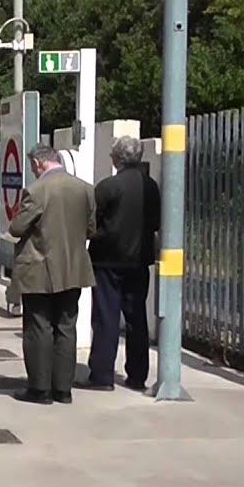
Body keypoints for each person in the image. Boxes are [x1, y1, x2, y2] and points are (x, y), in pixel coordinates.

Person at [8, 144, 96, 405]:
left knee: (39, 327)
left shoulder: (36, 192)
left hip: (39, 269)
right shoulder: (85, 189)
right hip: (74, 268)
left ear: (38, 163)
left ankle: (39, 388)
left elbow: (16, 227)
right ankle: (63, 389)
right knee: (66, 327)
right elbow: (91, 229)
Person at [85, 136, 161, 391]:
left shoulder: (108, 187)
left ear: (117, 159)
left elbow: (92, 222)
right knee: (137, 318)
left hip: (107, 260)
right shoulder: (151, 187)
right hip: (139, 261)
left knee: (106, 317)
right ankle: (137, 375)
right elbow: (156, 222)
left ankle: (102, 375)